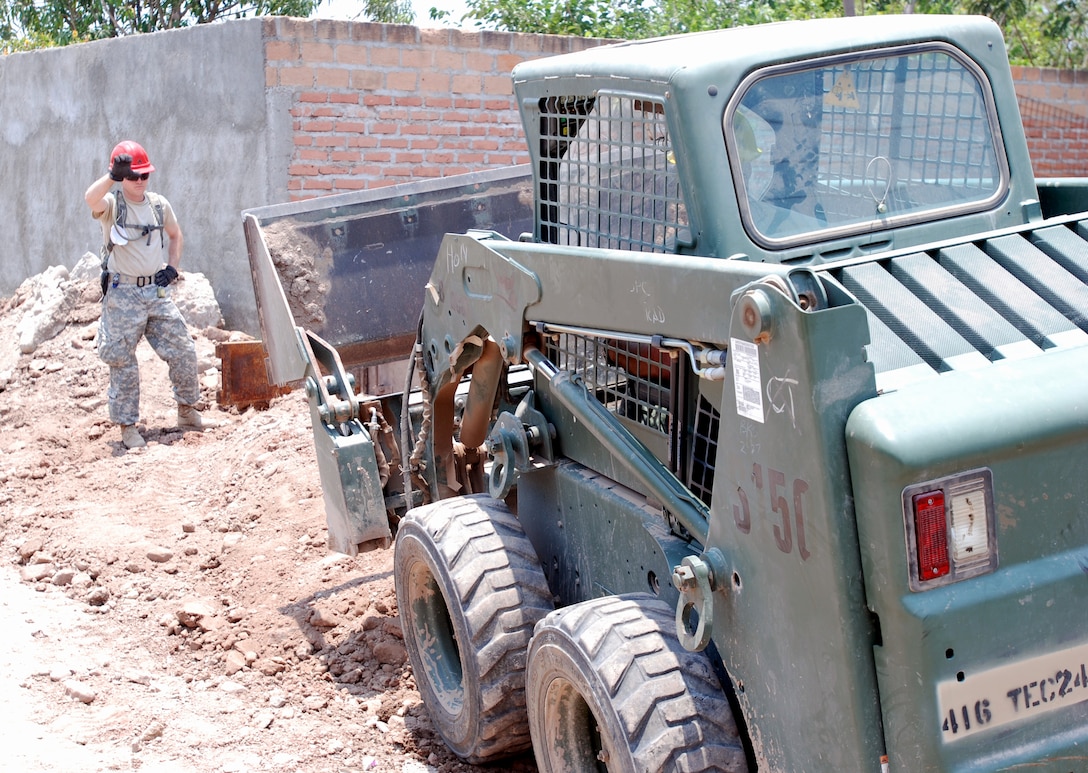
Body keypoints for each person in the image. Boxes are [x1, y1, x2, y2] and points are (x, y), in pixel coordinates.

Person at [84, 140, 203, 449]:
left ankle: (188, 412)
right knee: (122, 362)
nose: (139, 182)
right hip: (123, 294)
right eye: (132, 176)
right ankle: (127, 427)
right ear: (122, 176)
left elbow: (176, 235)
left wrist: (172, 268)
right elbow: (90, 198)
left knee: (183, 349)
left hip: (155, 291)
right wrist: (111, 175)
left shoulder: (159, 205)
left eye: (143, 176)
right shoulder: (112, 205)